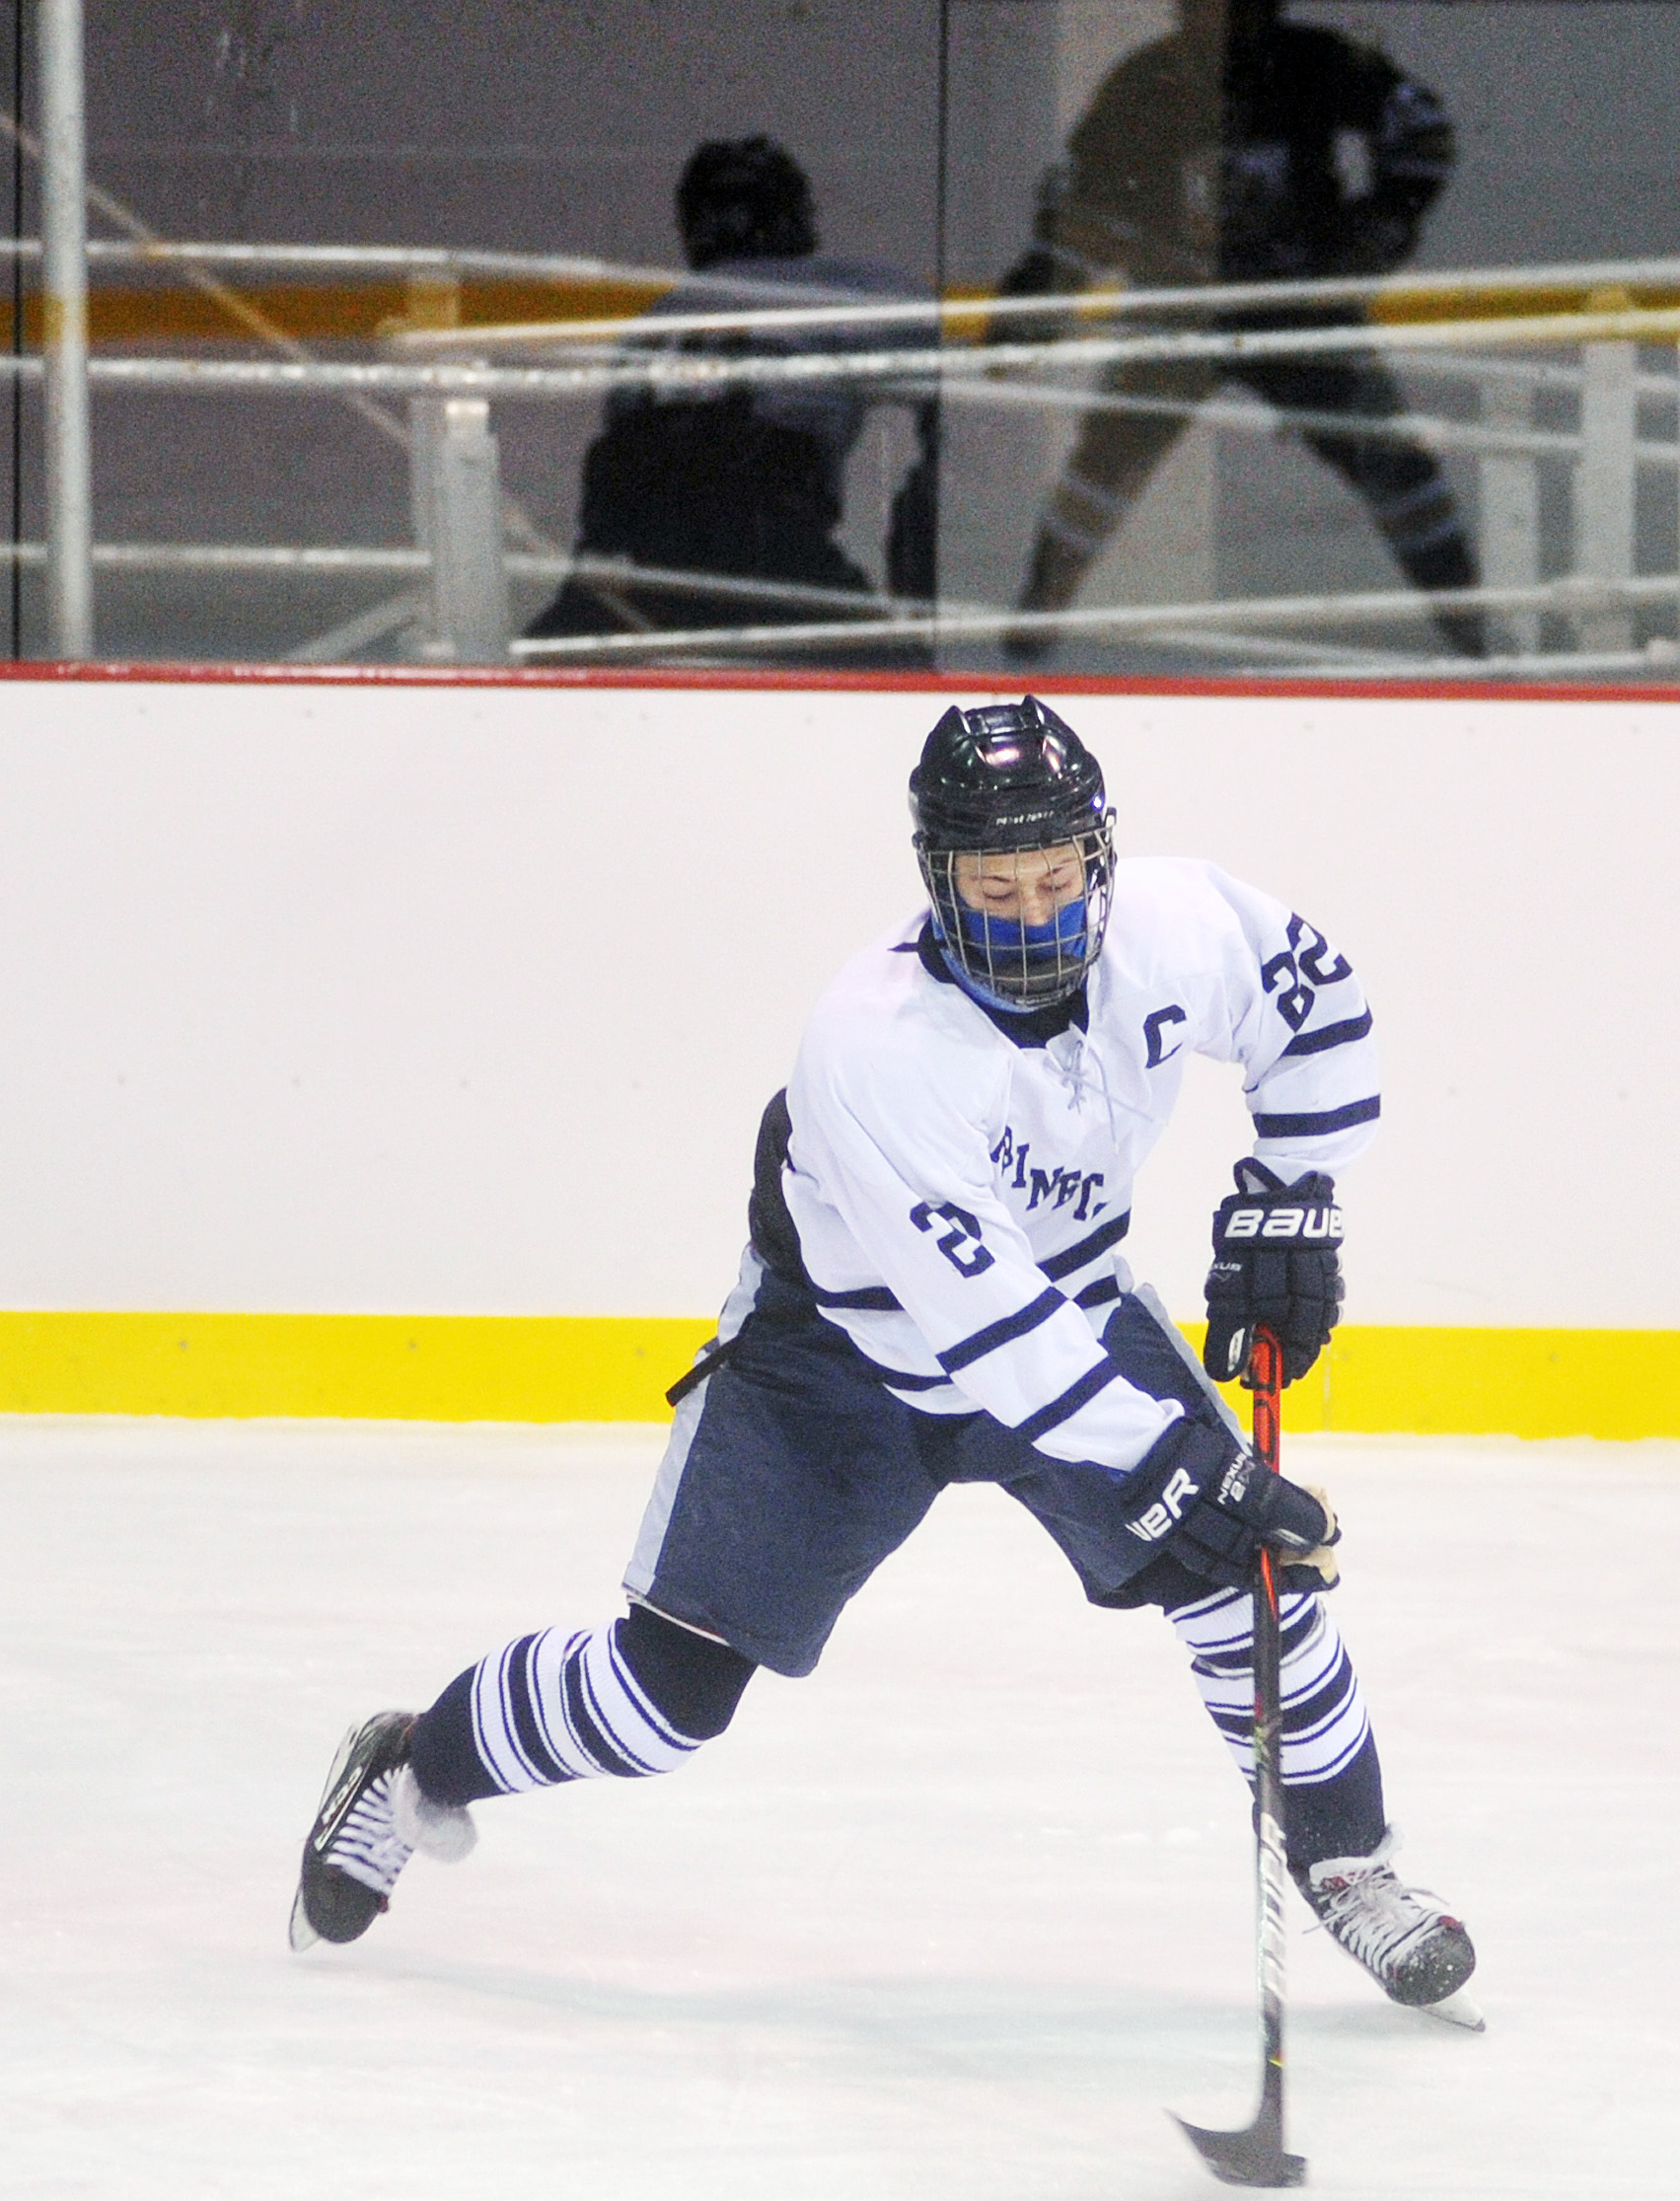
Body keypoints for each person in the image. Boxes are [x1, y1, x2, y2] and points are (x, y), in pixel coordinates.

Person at [290, 696, 1478, 2022]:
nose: (1034, 917)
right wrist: (1176, 1468)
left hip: (1067, 1305)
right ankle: (415, 1765)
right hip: (835, 1361)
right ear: (939, 880)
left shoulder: (1175, 924)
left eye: (1057, 878)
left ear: (1099, 857)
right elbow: (996, 1336)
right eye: (995, 888)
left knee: (1247, 1584)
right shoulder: (877, 1044)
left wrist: (1294, 1193)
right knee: (663, 1700)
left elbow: (1311, 1005)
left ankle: (1352, 1866)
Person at [998, 0, 1483, 660]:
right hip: (1179, 314)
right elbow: (1084, 205)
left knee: (1393, 463)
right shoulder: (1146, 83)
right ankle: (1031, 631)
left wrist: (1380, 223)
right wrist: (1042, 297)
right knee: (1105, 463)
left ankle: (1470, 632)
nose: (1220, 18)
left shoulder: (1317, 61)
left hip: (1296, 310)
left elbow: (1422, 132)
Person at [527, 136, 938, 661]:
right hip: (775, 562)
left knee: (545, 662)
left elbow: (617, 484)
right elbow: (961, 399)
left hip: (652, 577)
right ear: (796, 217)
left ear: (691, 229)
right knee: (905, 682)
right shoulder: (853, 292)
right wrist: (921, 525)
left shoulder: (651, 328)